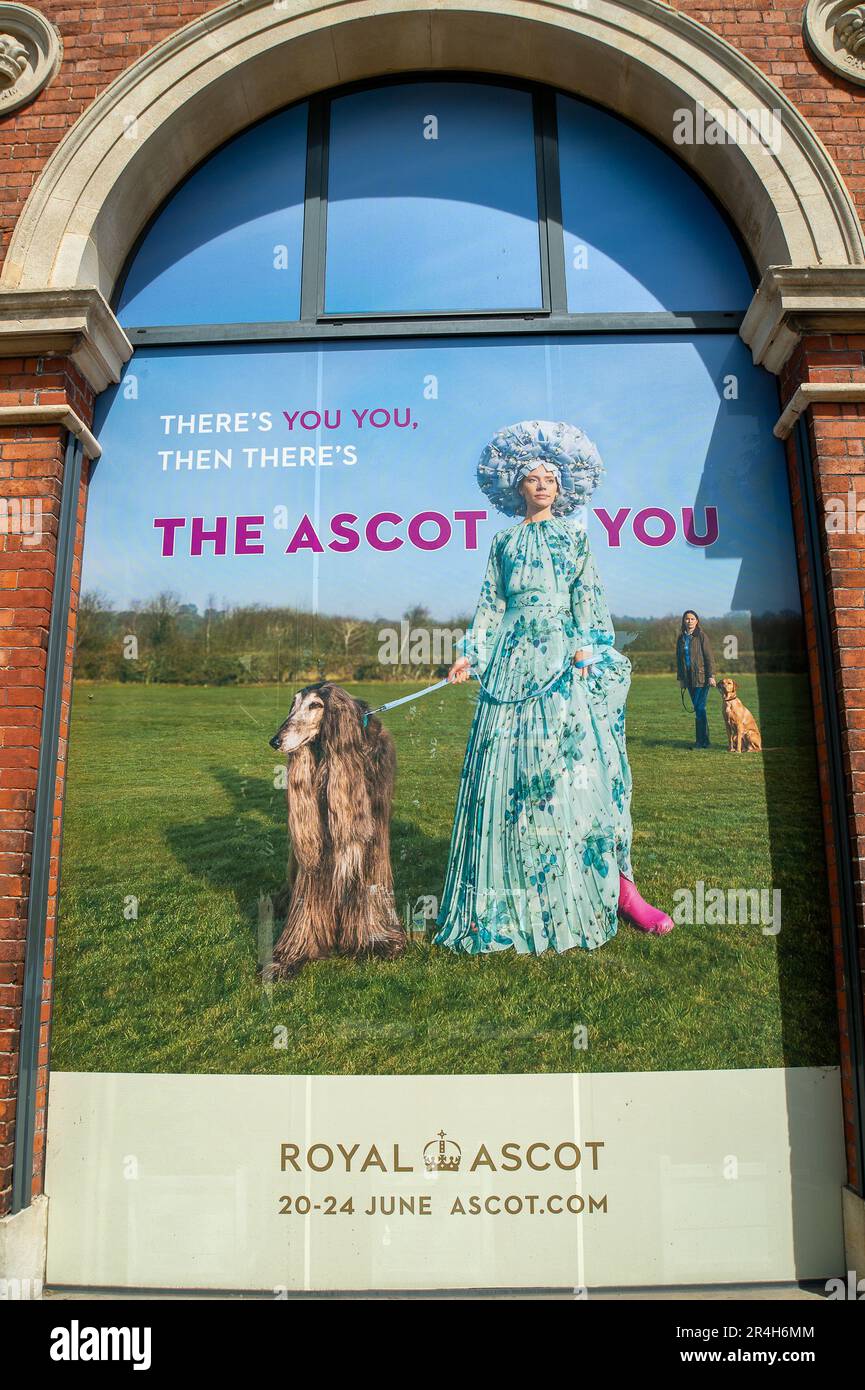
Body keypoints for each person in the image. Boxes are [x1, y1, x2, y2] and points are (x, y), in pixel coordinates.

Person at [434, 419, 673, 957]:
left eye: (550, 477)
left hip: (561, 662)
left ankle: (610, 888)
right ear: (516, 486)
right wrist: (470, 654)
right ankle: (507, 894)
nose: (541, 484)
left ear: (563, 487)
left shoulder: (575, 540)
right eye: (532, 477)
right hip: (511, 665)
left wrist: (589, 643)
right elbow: (492, 606)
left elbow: (589, 601)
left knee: (570, 773)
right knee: (508, 778)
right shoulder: (502, 542)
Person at [676, 610, 715, 749]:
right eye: (687, 619)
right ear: (684, 621)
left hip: (702, 678)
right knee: (699, 709)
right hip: (689, 680)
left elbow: (709, 658)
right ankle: (705, 741)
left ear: (697, 621)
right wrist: (681, 679)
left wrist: (711, 676)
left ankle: (700, 742)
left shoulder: (702, 636)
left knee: (699, 708)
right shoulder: (681, 638)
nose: (690, 621)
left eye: (692, 619)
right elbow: (679, 661)